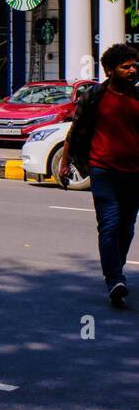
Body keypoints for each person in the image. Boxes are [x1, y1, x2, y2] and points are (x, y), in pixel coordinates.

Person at [64, 42, 139, 308]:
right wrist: (65, 163)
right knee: (109, 225)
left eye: (133, 65)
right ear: (109, 70)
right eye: (125, 66)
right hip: (103, 171)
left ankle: (115, 271)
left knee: (127, 229)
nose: (132, 70)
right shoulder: (94, 97)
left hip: (134, 175)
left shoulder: (137, 97)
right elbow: (75, 131)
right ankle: (114, 279)